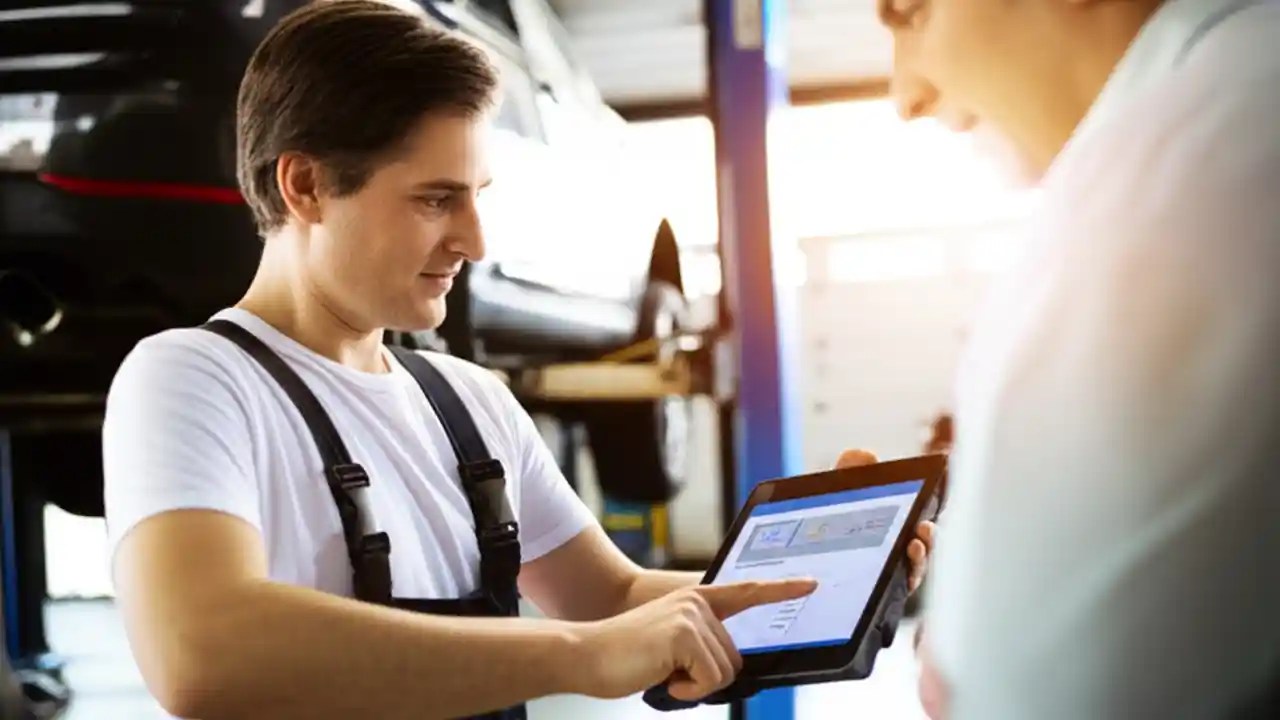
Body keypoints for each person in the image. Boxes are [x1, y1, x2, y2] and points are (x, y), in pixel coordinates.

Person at [101, 3, 936, 719]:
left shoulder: (470, 401)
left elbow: (611, 599)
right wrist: (576, 655)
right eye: (435, 199)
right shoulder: (192, 379)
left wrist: (821, 586)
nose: (474, 241)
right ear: (306, 186)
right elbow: (198, 649)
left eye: (476, 196)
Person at [874, 0, 1280, 717]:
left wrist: (956, 652)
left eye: (911, 13)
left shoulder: (1160, 204)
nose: (905, 96)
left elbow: (1028, 696)